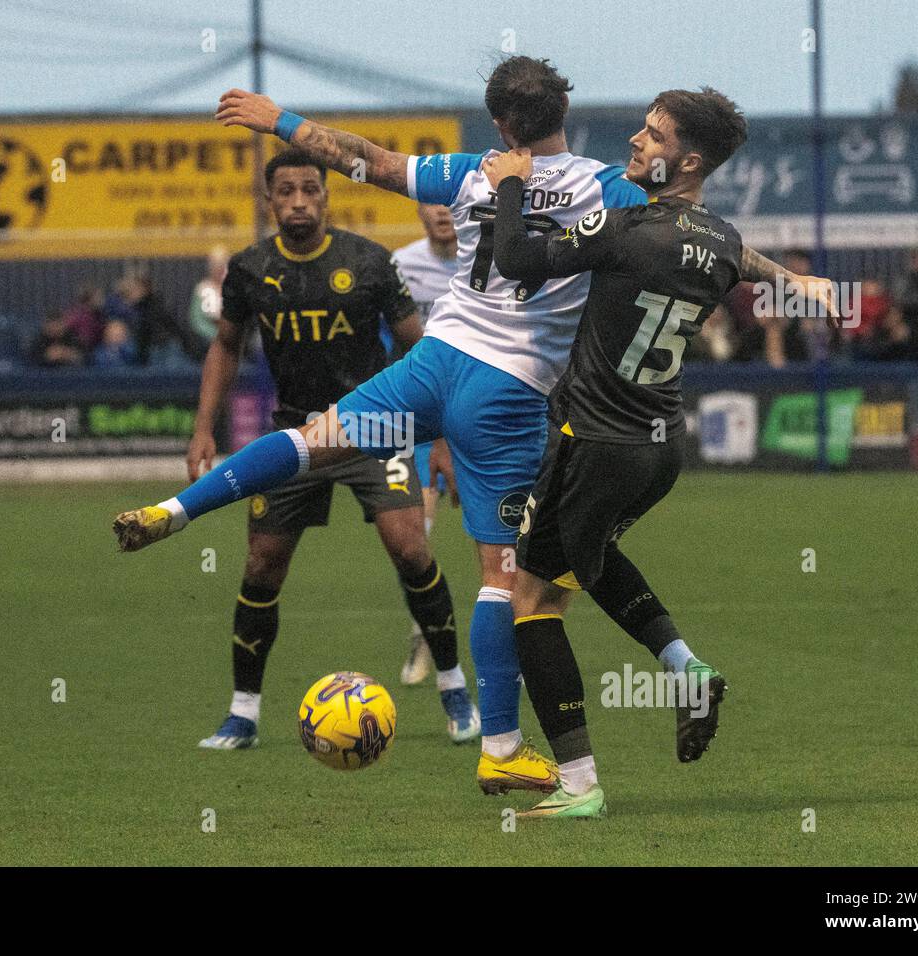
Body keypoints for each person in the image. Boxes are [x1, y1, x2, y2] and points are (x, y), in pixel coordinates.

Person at [113, 57, 830, 796]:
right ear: (564, 114)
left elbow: (367, 160)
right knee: (504, 579)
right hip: (507, 394)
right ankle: (502, 746)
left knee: (309, 440)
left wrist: (281, 121)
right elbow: (708, 239)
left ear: (500, 124)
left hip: (433, 362)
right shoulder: (607, 186)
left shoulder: (472, 170)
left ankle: (175, 509)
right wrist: (795, 282)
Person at [486, 88, 835, 817]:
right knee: (593, 557)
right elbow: (743, 256)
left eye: (655, 136)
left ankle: (579, 786)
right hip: (658, 449)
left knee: (533, 598)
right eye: (644, 129)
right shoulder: (716, 239)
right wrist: (795, 280)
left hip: (595, 444)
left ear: (689, 160)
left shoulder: (624, 230)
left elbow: (515, 255)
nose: (639, 143)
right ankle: (687, 668)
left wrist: (509, 182)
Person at [153, 149, 476, 751]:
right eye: (287, 192)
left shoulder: (371, 262)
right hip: (296, 436)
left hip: (378, 426)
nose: (299, 201)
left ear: (327, 197)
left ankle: (455, 688)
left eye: (310, 190)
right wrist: (203, 428)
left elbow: (421, 350)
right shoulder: (249, 271)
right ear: (269, 200)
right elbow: (225, 347)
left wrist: (440, 438)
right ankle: (243, 713)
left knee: (410, 547)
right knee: (261, 565)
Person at [389, 202, 459, 686]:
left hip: (480, 409)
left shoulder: (489, 259)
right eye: (433, 207)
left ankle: (521, 645)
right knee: (418, 537)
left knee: (505, 537)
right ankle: (424, 641)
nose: (443, 214)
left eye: (451, 206)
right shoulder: (401, 265)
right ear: (419, 214)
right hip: (423, 416)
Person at [188, 247, 229, 347]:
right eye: (216, 266)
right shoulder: (202, 289)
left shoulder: (233, 290)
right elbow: (196, 321)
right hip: (207, 340)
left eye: (223, 266)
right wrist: (216, 336)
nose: (219, 270)